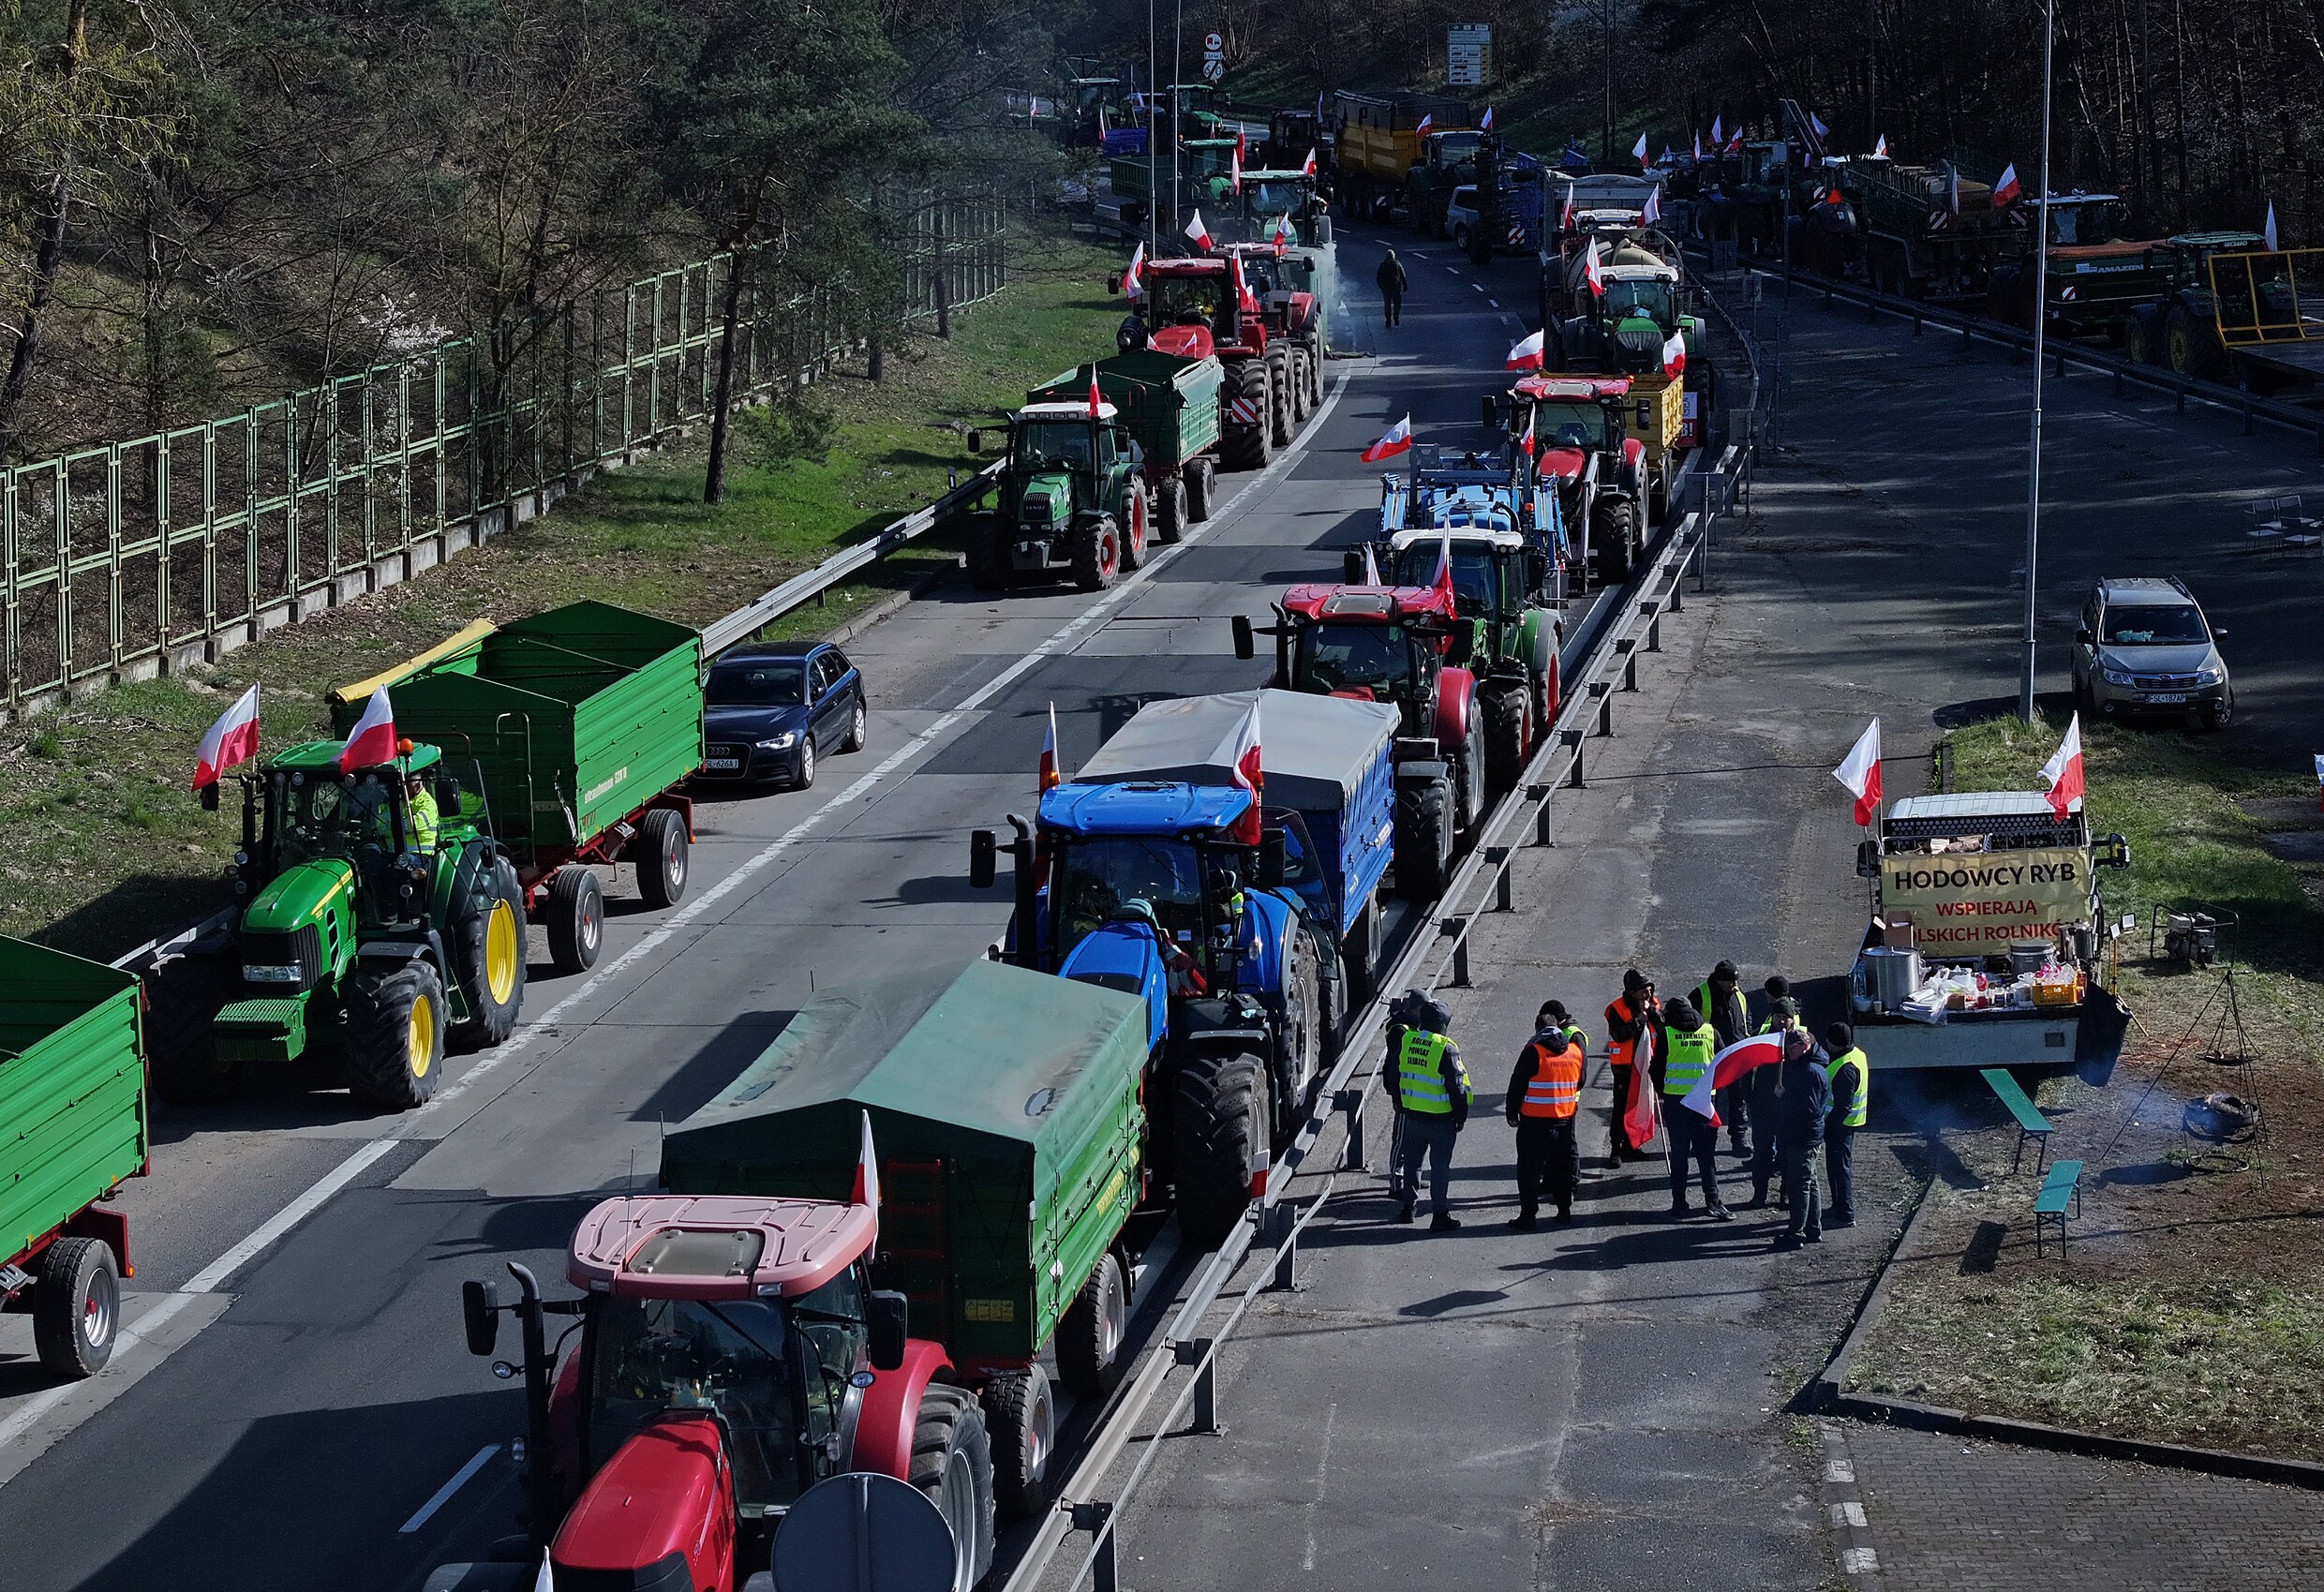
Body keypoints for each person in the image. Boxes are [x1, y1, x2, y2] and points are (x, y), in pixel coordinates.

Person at [1383, 990, 1470, 1229]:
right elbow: (1457, 1087)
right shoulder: (1446, 1048)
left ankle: (1408, 1209)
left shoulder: (1408, 1040)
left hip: (1412, 1117)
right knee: (1440, 1167)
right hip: (1441, 1120)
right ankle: (1439, 1215)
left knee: (1412, 1164)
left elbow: (1394, 1073)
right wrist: (1460, 1117)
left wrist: (1401, 1104)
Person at [1506, 1001, 1587, 1227]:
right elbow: (1580, 1081)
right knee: (1561, 1169)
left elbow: (1517, 1085)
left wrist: (1512, 1114)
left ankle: (1528, 1216)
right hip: (1563, 1121)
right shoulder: (1574, 1050)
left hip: (1533, 1124)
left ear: (1537, 1029)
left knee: (1529, 1171)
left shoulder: (1534, 1052)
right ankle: (1564, 1212)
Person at [1657, 997, 1732, 1219]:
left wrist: (1664, 1093)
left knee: (1679, 1155)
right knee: (1706, 1155)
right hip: (1704, 1103)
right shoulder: (1710, 1032)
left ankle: (1679, 1204)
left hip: (1676, 1103)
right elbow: (1723, 1061)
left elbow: (1656, 1068)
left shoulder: (1667, 1035)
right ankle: (1713, 1202)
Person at [1743, 992, 1798, 1209]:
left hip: (1789, 1108)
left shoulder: (1800, 1039)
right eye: (1777, 1016)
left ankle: (1785, 1194)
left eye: (1785, 1017)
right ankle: (1760, 1194)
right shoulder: (1760, 1036)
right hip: (1763, 1106)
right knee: (1762, 1153)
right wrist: (1748, 1095)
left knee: (1787, 1154)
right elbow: (1747, 1065)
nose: (1781, 1021)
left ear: (1793, 1019)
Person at [1775, 1029, 1829, 1249]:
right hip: (1807, 1135)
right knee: (1810, 1182)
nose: (1787, 1053)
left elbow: (1808, 1108)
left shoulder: (1810, 1071)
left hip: (1802, 1136)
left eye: (1791, 1048)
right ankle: (1812, 1229)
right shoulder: (1809, 1066)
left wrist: (1784, 1096)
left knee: (1799, 1186)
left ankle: (1796, 1233)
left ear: (1804, 1046)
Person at [1693, 960, 1750, 1156]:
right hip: (1711, 1059)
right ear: (1719, 980)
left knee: (1738, 1100)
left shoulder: (1739, 996)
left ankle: (1738, 1139)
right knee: (1709, 1101)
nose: (1734, 985)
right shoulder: (1701, 995)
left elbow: (1745, 1022)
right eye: (1730, 981)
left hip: (1736, 1056)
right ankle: (1705, 1140)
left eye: (1736, 980)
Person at [1602, 970, 1659, 1165]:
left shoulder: (1653, 1005)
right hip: (1624, 1068)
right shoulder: (1615, 1009)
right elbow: (1621, 1035)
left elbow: (1662, 1028)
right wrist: (1641, 1019)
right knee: (1620, 1108)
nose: (1647, 994)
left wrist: (1652, 1014)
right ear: (1631, 991)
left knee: (1639, 1106)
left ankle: (1631, 1145)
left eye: (1648, 989)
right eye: (1642, 990)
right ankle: (1616, 1149)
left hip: (1647, 1064)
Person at [1824, 1023, 1869, 1228]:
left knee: (1840, 1168)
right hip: (1845, 1123)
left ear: (1834, 1044)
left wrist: (1828, 1125)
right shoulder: (1856, 1055)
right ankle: (1839, 1206)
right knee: (1836, 1167)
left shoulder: (1845, 1068)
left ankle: (1846, 1212)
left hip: (1841, 1125)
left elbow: (1843, 1105)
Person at [1376, 247, 1408, 327]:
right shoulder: (1397, 264)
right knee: (1397, 304)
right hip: (1396, 288)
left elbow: (1378, 277)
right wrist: (1405, 286)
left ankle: (1388, 321)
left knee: (1387, 305)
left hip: (1386, 288)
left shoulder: (1383, 264)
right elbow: (1403, 276)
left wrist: (1381, 287)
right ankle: (1396, 316)